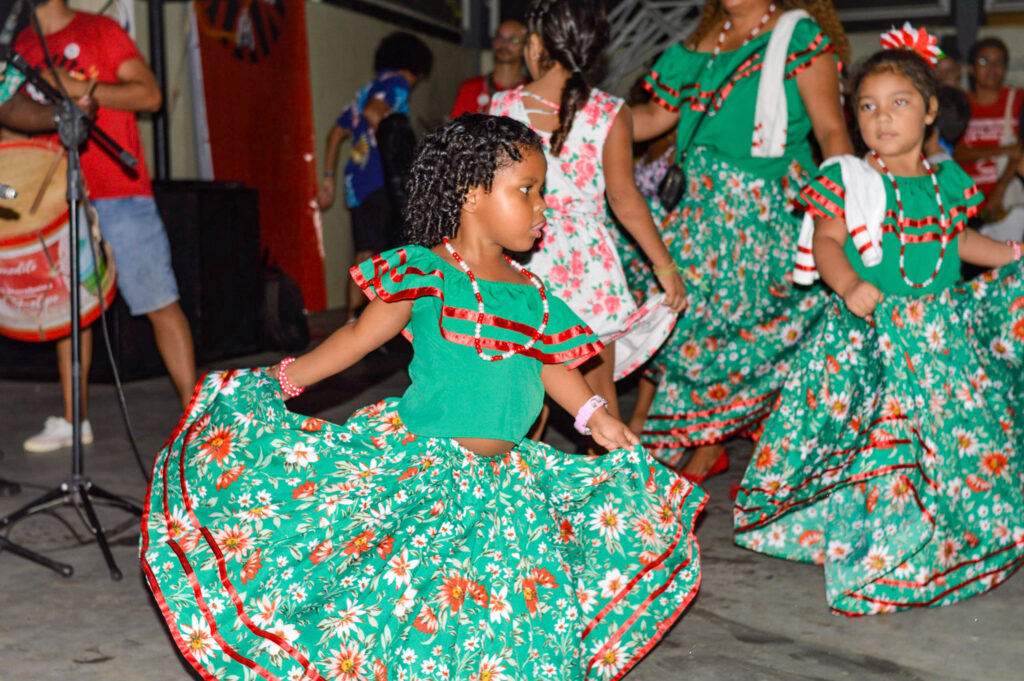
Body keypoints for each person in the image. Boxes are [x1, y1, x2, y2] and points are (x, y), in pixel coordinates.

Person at [141, 114, 705, 681]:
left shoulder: (530, 289)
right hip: (426, 470)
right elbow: (359, 338)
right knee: (404, 609)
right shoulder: (425, 270)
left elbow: (550, 365)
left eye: (543, 193)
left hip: (506, 486)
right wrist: (280, 382)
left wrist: (592, 413)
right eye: (527, 191)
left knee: (505, 616)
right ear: (469, 194)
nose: (542, 208)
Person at [734, 35, 1024, 615]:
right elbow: (829, 240)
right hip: (880, 337)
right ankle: (889, 562)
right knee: (892, 450)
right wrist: (846, 283)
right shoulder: (848, 178)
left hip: (942, 340)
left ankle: (961, 536)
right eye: (867, 105)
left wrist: (1011, 255)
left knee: (957, 444)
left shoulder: (946, 182)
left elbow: (957, 241)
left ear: (931, 109)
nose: (882, 117)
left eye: (899, 102)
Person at [630, 0, 853, 481]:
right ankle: (688, 443)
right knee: (673, 323)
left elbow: (832, 130)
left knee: (715, 333)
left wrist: (844, 204)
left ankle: (682, 448)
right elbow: (652, 116)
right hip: (697, 212)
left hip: (761, 214)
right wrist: (582, 116)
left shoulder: (798, 36)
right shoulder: (702, 42)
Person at [490, 0, 686, 432]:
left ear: (536, 43)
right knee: (600, 402)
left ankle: (518, 490)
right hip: (589, 270)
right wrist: (664, 265)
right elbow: (624, 198)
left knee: (527, 395)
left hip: (525, 261)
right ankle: (619, 491)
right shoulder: (611, 112)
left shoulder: (502, 105)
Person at [16, 0, 195, 452]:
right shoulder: (19, 47)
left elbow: (150, 95)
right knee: (69, 312)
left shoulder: (99, 30)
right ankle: (75, 421)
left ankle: (197, 416)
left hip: (120, 192)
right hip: (58, 198)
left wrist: (79, 86)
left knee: (158, 300)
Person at [318, 32, 433, 322]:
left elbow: (336, 133)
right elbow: (374, 113)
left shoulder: (366, 89)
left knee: (363, 252)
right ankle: (375, 323)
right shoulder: (397, 83)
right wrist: (399, 144)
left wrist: (328, 177)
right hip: (381, 179)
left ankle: (352, 319)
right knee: (387, 253)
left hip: (356, 182)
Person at [955, 37, 1023, 220]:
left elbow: (1020, 150)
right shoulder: (959, 104)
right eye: (984, 61)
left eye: (999, 62)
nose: (992, 68)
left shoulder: (1017, 100)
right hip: (963, 205)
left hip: (1008, 205)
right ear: (971, 69)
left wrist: (999, 191)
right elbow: (955, 153)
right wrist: (1004, 150)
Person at [450, 19, 529, 118]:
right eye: (500, 38)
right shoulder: (470, 88)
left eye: (514, 40)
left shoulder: (532, 91)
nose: (504, 44)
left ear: (526, 47)